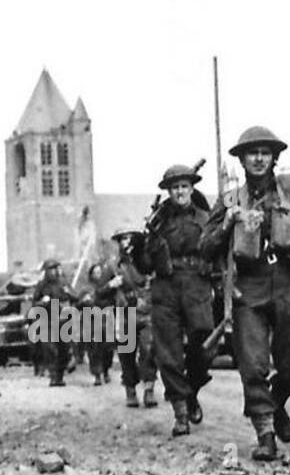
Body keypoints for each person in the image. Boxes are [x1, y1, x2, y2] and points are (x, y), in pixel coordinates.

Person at [200, 126, 290, 461]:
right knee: (253, 365)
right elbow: (205, 247)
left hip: (287, 282)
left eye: (265, 152)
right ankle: (265, 435)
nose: (259, 159)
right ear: (242, 160)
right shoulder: (230, 200)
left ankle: (276, 403)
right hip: (248, 288)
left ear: (274, 157)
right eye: (252, 153)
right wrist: (225, 225)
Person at [135, 164, 214, 436]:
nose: (180, 192)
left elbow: (218, 252)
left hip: (197, 285)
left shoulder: (206, 218)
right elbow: (145, 265)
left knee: (204, 344)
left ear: (192, 189)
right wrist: (138, 248)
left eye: (184, 186)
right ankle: (181, 412)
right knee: (168, 351)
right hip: (166, 288)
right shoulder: (157, 223)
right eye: (175, 187)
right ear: (168, 192)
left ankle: (191, 390)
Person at [112, 232, 158, 408]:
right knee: (126, 353)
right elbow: (100, 289)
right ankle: (130, 390)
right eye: (123, 239)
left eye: (130, 238)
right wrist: (112, 285)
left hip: (146, 310)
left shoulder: (147, 260)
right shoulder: (114, 265)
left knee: (149, 349)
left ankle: (149, 389)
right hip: (125, 312)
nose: (127, 242)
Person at [31, 257, 76, 386]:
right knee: (49, 349)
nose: (53, 272)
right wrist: (43, 302)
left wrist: (69, 294)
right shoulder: (41, 285)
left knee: (64, 349)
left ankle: (60, 376)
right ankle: (53, 375)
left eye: (55, 269)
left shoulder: (63, 283)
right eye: (50, 269)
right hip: (48, 319)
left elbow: (76, 297)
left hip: (63, 319)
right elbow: (34, 303)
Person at [81, 262, 117, 386]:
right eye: (95, 272)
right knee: (94, 349)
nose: (98, 275)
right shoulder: (88, 288)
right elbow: (81, 302)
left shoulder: (109, 288)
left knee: (108, 348)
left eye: (100, 272)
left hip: (107, 319)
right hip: (92, 321)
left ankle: (106, 370)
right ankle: (97, 374)